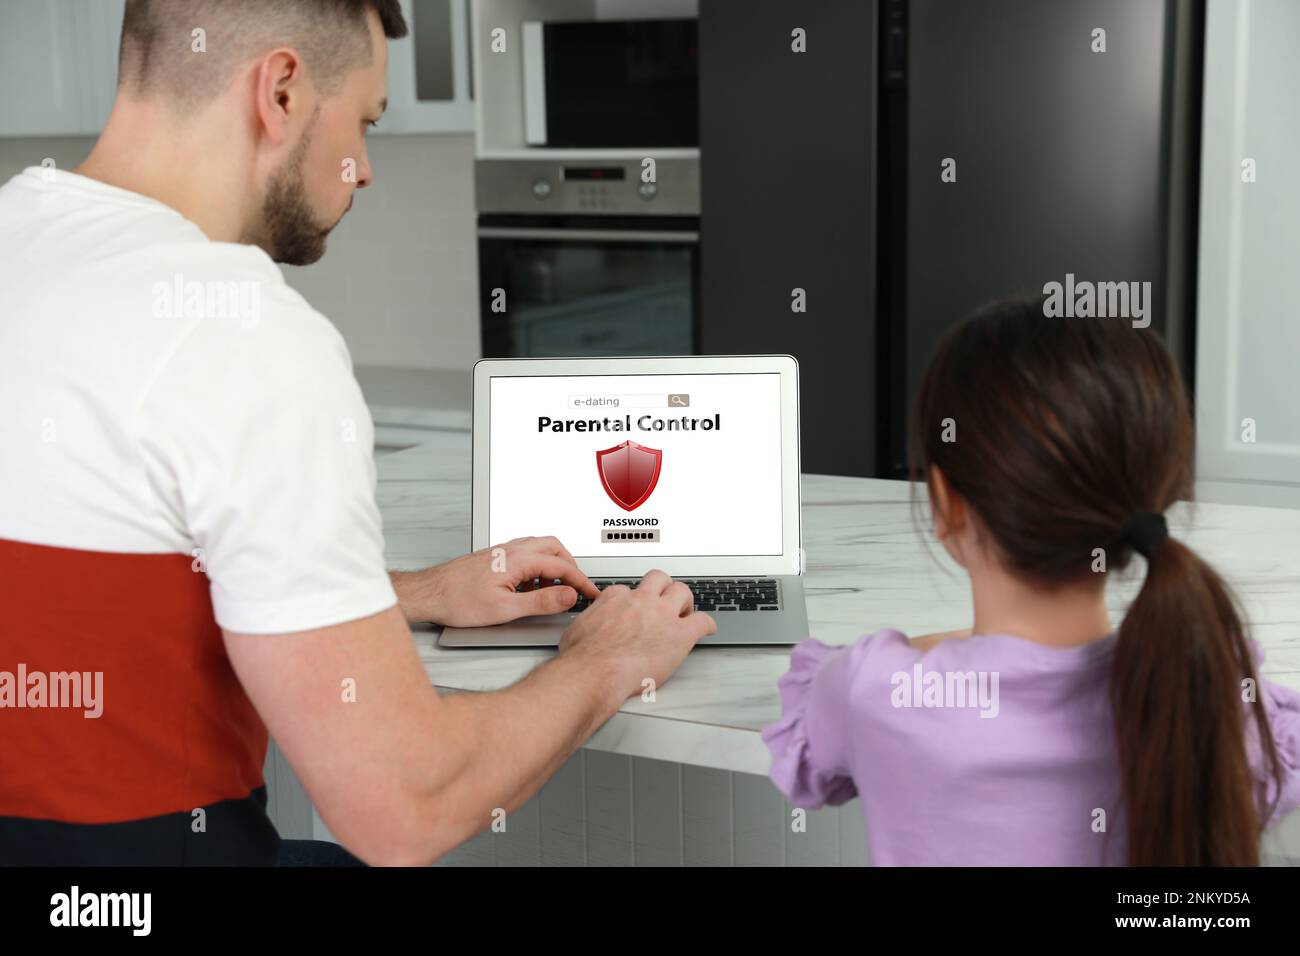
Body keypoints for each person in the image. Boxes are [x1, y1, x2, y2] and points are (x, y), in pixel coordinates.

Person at [0, 0, 713, 866]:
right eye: (365, 123)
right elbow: (404, 806)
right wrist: (609, 658)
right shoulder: (242, 331)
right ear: (284, 91)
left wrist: (406, 596)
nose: (366, 168)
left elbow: (107, 580)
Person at [763, 297, 1300, 865]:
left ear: (947, 503)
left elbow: (810, 754)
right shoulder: (1210, 697)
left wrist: (942, 647)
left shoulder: (874, 689)